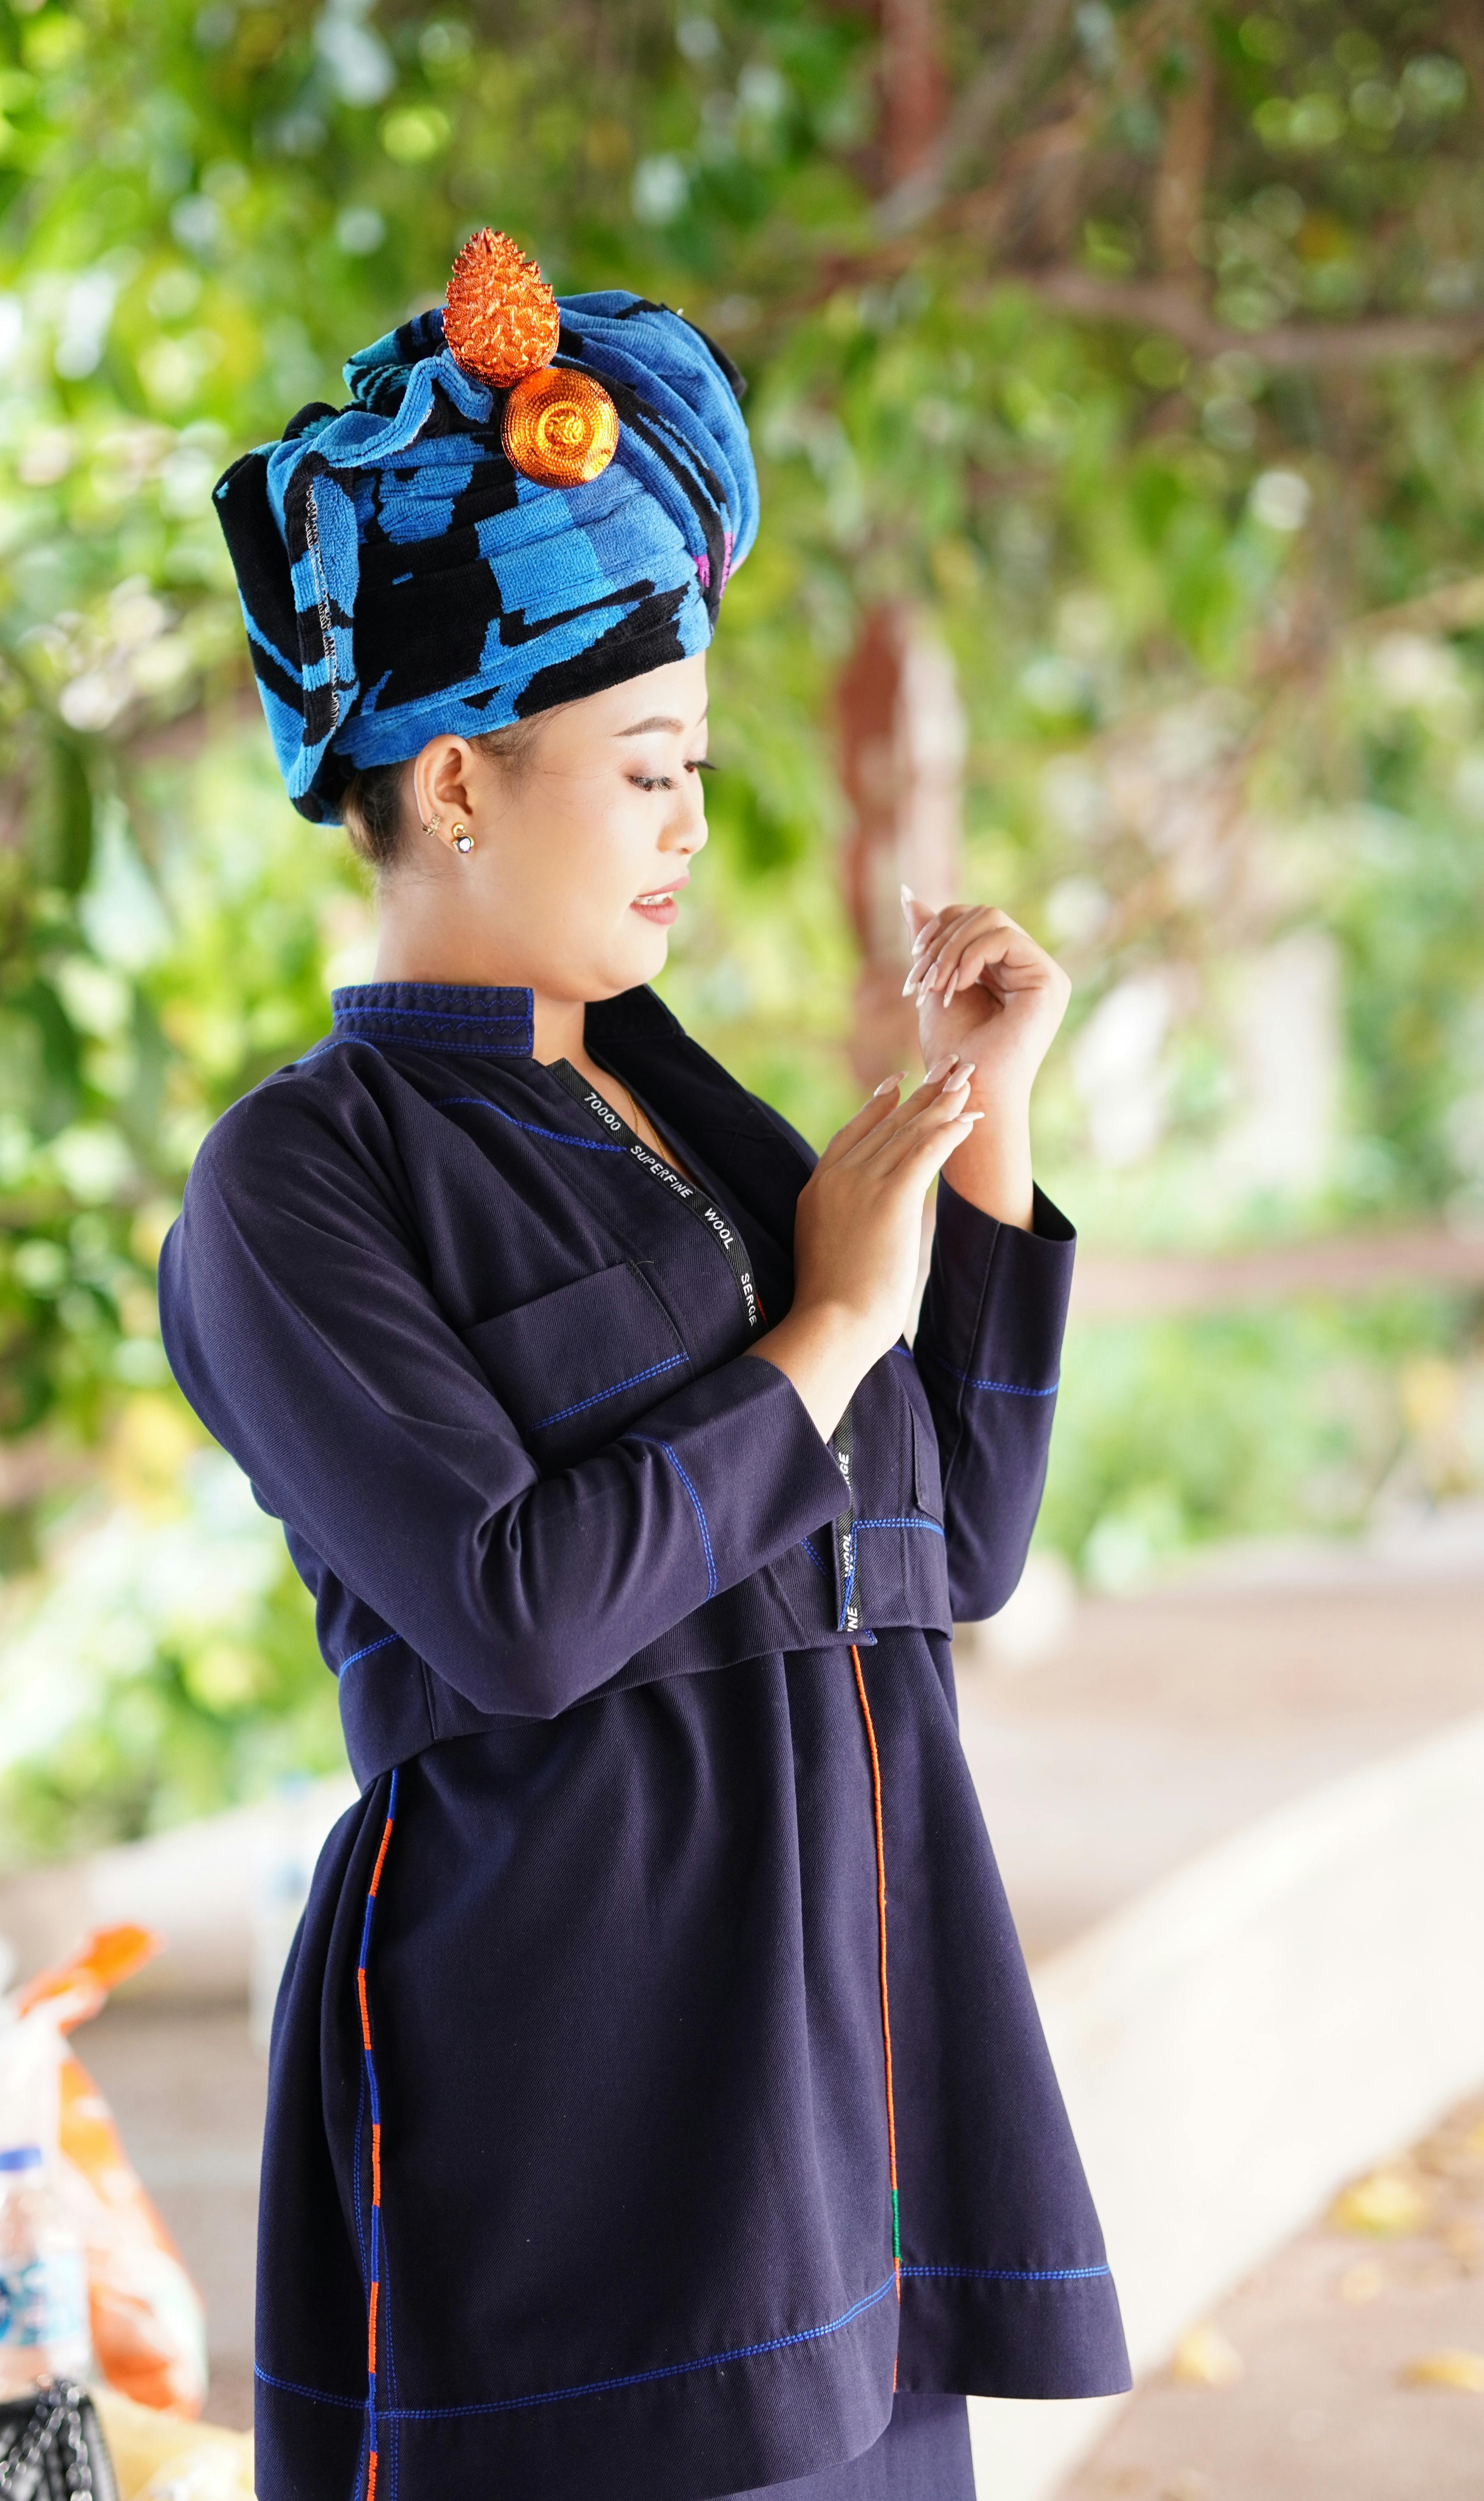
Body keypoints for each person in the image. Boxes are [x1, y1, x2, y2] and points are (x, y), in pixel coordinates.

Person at [160, 230, 1129, 2501]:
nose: (693, 824)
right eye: (647, 767)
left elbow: (946, 1547)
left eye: (698, 764)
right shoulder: (297, 1182)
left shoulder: (687, 1113)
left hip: (847, 2073)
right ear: (462, 780)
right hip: (574, 2091)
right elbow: (513, 1610)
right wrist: (830, 1320)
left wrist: (990, 1129)